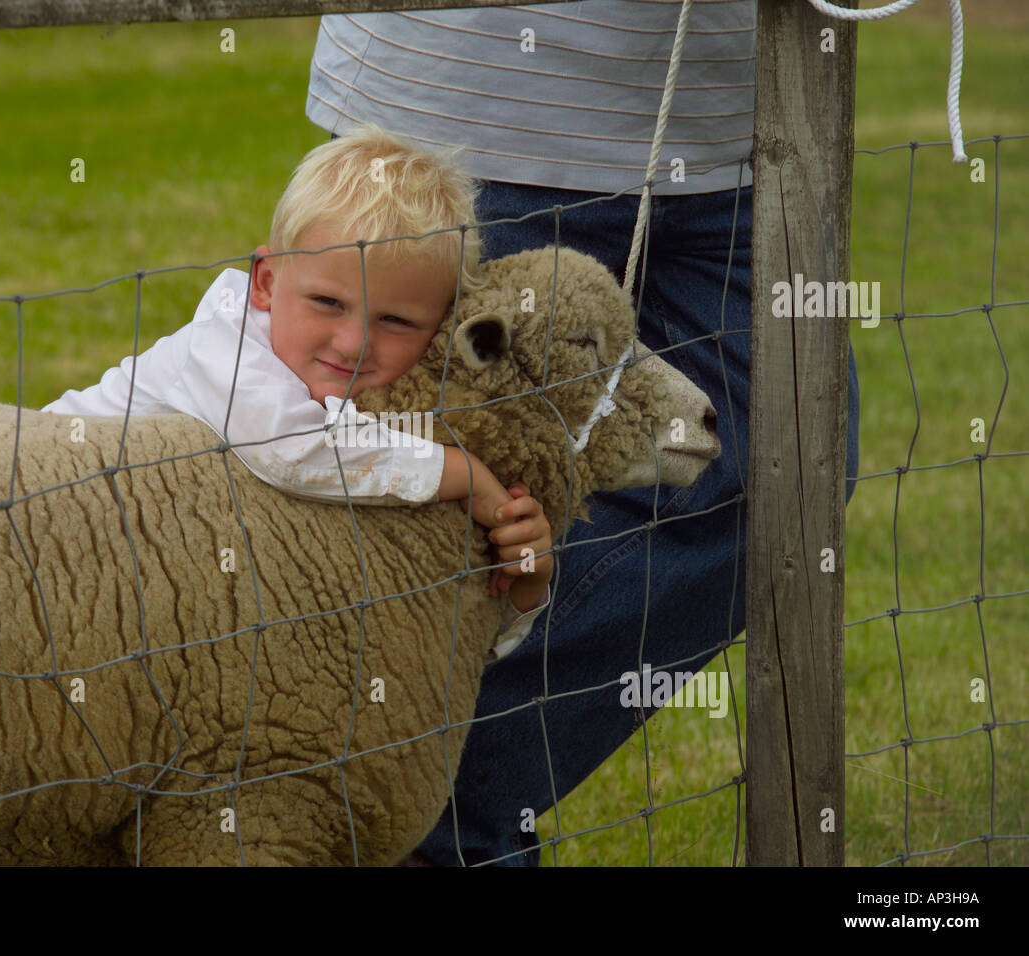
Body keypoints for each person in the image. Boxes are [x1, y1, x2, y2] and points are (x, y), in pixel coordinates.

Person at [305, 1, 862, 865]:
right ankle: (395, 816)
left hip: (748, 123)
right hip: (470, 118)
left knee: (788, 473)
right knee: (427, 511)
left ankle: (385, 803)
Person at [42, 124, 555, 656]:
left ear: (442, 323)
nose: (355, 343)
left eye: (397, 320)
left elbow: (444, 650)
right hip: (45, 509)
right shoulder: (228, 350)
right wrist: (465, 475)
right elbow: (292, 451)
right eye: (328, 303)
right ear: (265, 282)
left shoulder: (410, 411)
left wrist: (527, 583)